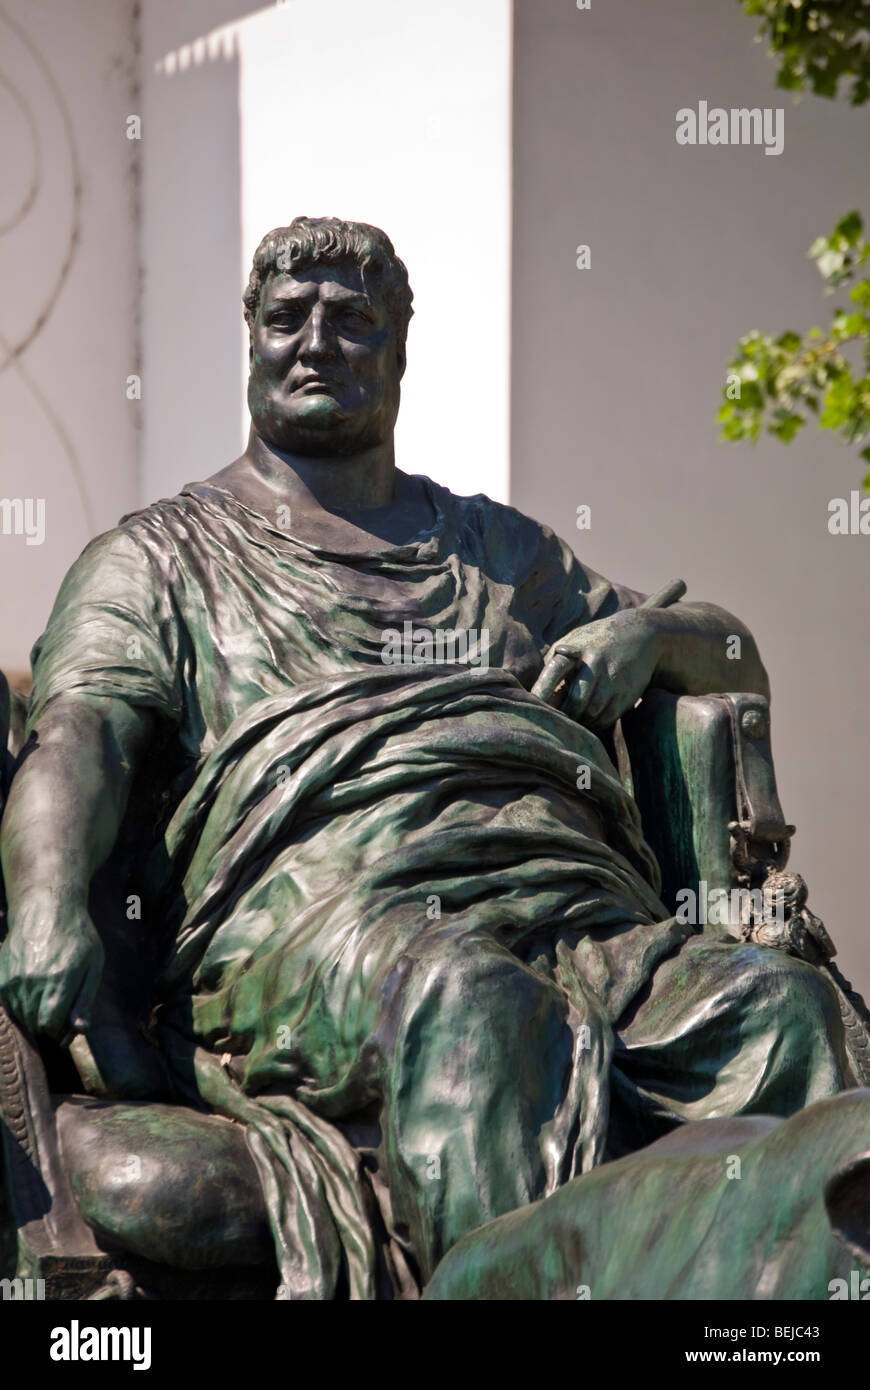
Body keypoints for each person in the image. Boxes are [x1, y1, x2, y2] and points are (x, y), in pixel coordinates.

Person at [0, 218, 849, 1299]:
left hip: (582, 922)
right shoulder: (159, 558)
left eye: (352, 320)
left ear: (400, 347)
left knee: (774, 1007)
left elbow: (734, 655)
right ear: (250, 343)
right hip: (331, 936)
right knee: (473, 1003)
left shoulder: (504, 554)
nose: (315, 342)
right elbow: (80, 738)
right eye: (285, 320)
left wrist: (650, 637)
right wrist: (45, 903)